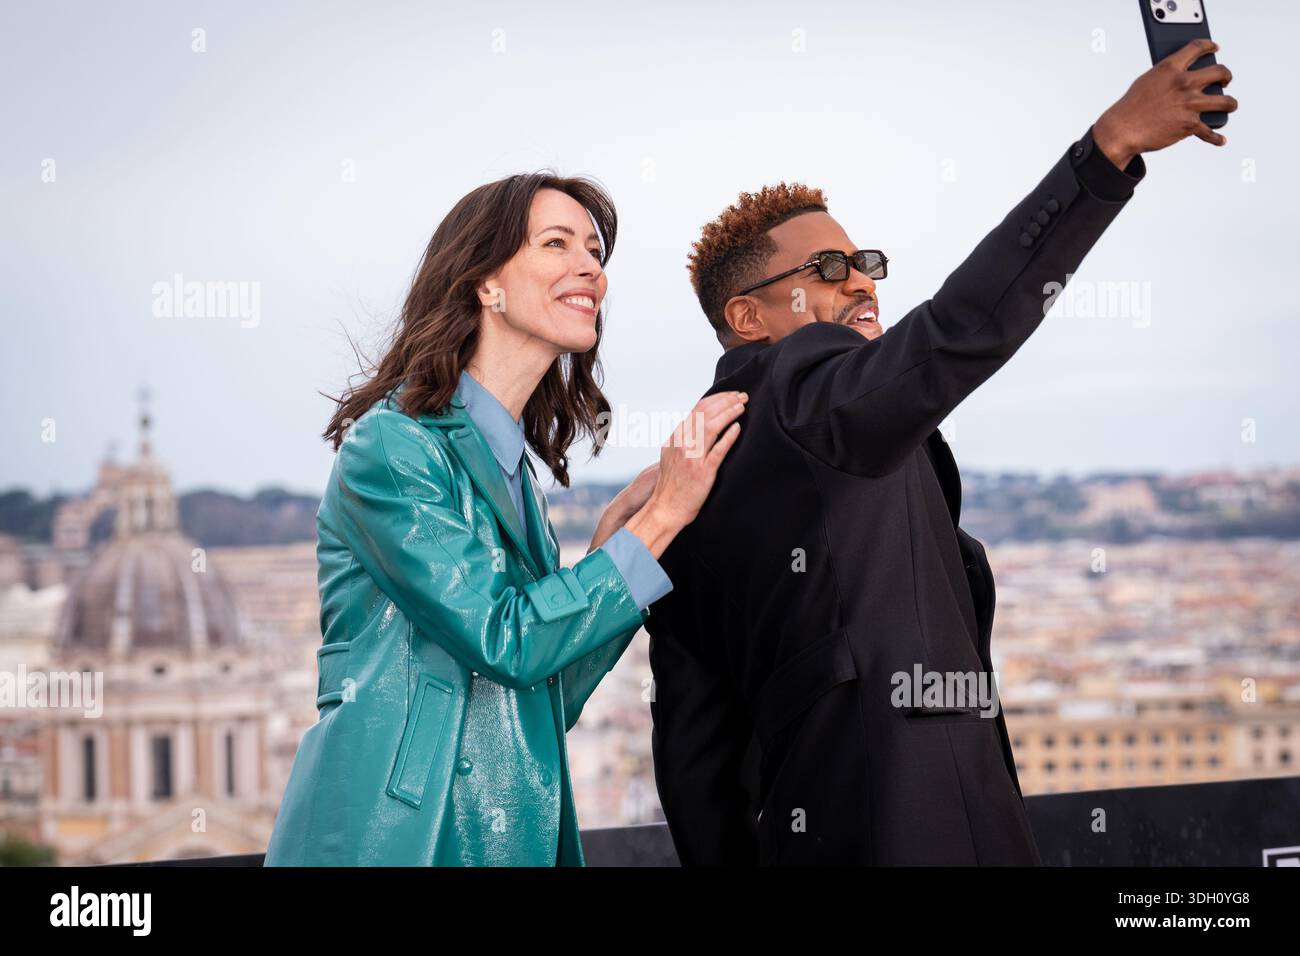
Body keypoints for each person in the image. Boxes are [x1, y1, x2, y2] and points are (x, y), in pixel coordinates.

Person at [645, 40, 1237, 865]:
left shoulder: (680, 488)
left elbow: (696, 755)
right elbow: (959, 330)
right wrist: (1109, 149)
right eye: (829, 268)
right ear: (750, 321)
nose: (863, 283)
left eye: (867, 264)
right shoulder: (802, 381)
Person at [264, 172, 745, 866]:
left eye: (594, 252)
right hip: (401, 842)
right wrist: (663, 516)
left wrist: (614, 540)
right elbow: (508, 640)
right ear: (484, 283)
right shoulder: (394, 446)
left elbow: (545, 696)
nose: (590, 269)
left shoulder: (512, 472)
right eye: (557, 244)